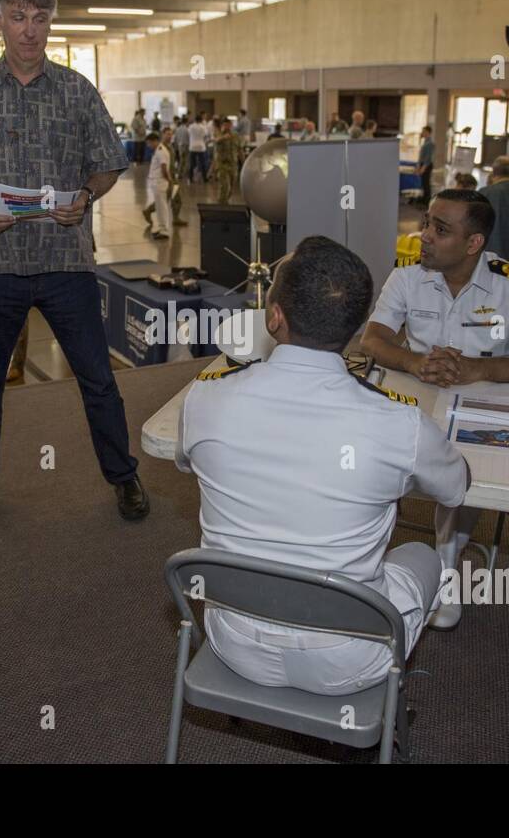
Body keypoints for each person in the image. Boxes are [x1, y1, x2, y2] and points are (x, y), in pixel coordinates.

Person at [178, 236, 469, 694]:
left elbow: (184, 462)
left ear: (274, 318)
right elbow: (455, 490)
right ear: (355, 329)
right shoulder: (398, 421)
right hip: (348, 660)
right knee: (423, 555)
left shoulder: (206, 397)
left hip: (234, 643)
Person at [0, 0, 148, 526]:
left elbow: (106, 166)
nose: (29, 28)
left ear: (51, 22)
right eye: (18, 16)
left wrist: (86, 195)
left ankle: (124, 477)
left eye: (40, 17)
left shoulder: (77, 90)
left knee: (97, 379)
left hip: (66, 261)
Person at [359, 188, 509, 628]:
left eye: (440, 229)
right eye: (427, 223)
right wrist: (413, 361)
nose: (424, 235)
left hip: (482, 408)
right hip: (416, 399)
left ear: (474, 244)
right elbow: (371, 340)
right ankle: (359, 564)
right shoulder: (407, 277)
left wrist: (480, 369)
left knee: (461, 467)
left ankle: (446, 570)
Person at [145, 130, 174, 240]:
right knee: (159, 207)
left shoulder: (161, 151)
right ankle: (161, 228)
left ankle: (164, 231)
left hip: (160, 183)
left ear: (154, 141)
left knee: (162, 207)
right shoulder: (158, 150)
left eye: (149, 143)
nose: (148, 146)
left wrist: (169, 180)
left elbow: (163, 168)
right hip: (157, 182)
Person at [208, 117, 240, 205]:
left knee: (231, 188)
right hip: (222, 164)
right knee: (225, 186)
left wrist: (244, 162)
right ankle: (222, 204)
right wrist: (223, 137)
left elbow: (239, 149)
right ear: (222, 126)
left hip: (233, 164)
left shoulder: (235, 136)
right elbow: (215, 140)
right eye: (225, 125)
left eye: (229, 125)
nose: (227, 127)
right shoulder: (217, 134)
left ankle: (224, 201)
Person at [187, 113, 208, 183]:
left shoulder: (191, 126)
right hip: (201, 147)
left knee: (192, 163)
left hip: (192, 147)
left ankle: (190, 178)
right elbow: (205, 135)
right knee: (203, 163)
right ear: (201, 120)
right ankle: (205, 178)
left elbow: (189, 133)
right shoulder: (203, 127)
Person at [416, 125, 435, 204]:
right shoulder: (425, 141)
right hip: (423, 164)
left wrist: (423, 167)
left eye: (423, 131)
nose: (422, 133)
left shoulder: (430, 143)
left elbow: (428, 157)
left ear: (428, 132)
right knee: (424, 182)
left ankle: (427, 200)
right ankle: (424, 198)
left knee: (426, 182)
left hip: (426, 165)